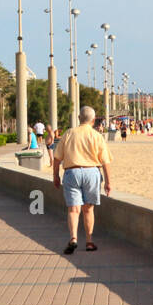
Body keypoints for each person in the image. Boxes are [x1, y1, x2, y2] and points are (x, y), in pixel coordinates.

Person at [51, 106, 113, 254]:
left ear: (79, 118)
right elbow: (105, 161)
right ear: (93, 120)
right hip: (91, 172)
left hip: (72, 172)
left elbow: (57, 158)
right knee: (88, 209)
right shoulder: (96, 135)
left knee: (73, 209)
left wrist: (55, 176)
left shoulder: (69, 133)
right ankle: (89, 241)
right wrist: (109, 182)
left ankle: (73, 238)